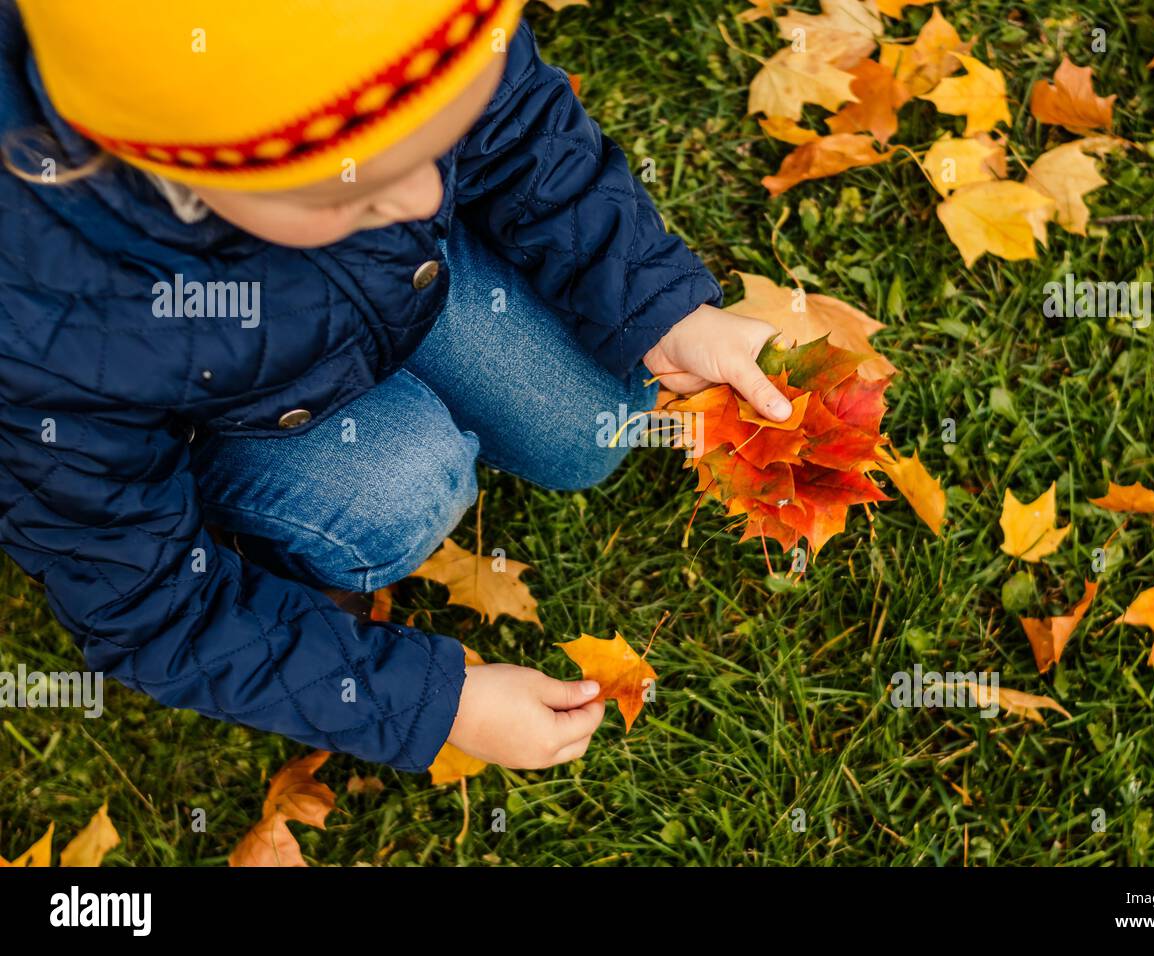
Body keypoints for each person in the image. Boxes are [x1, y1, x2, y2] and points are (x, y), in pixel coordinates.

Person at [0, 0, 791, 774]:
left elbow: (522, 130)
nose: (422, 199)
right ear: (187, 181)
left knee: (595, 428)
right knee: (402, 486)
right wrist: (436, 703)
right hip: (222, 417)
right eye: (358, 188)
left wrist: (663, 309)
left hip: (389, 291)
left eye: (435, 140)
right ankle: (269, 546)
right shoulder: (45, 324)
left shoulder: (398, 28)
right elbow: (149, 608)